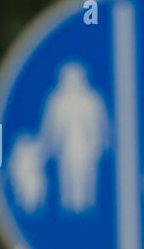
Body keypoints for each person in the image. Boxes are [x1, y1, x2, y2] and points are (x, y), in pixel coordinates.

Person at [42, 62, 109, 213]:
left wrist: (103, 142)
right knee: (66, 173)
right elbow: (49, 125)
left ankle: (87, 205)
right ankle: (68, 205)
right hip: (64, 146)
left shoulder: (92, 99)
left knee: (88, 174)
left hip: (89, 145)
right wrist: (48, 145)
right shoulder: (56, 100)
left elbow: (102, 122)